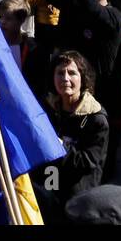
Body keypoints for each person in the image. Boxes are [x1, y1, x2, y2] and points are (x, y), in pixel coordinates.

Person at [37, 50, 108, 206]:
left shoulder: (96, 119)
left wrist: (60, 146)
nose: (65, 78)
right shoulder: (47, 109)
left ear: (82, 78)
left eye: (72, 73)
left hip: (79, 198)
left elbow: (88, 161)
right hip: (50, 189)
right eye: (60, 73)